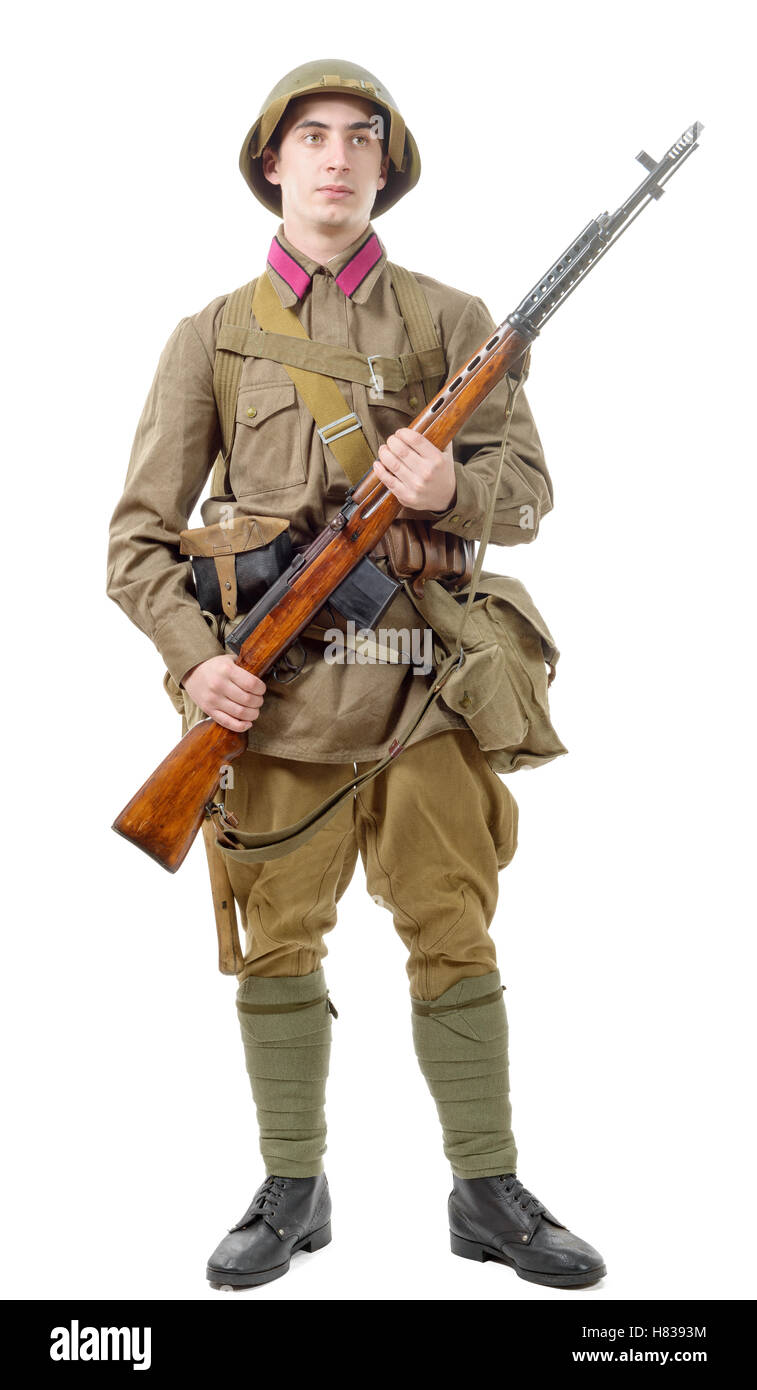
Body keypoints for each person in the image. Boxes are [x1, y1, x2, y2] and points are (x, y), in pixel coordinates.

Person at [106, 58, 606, 1292]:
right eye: (310, 138)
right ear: (271, 164)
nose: (335, 159)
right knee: (279, 945)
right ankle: (293, 1185)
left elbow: (526, 494)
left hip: (424, 698)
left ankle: (485, 1190)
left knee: (454, 929)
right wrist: (199, 668)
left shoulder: (448, 319)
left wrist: (457, 488)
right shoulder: (212, 336)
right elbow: (137, 544)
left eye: (360, 139)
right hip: (273, 711)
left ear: (388, 166)